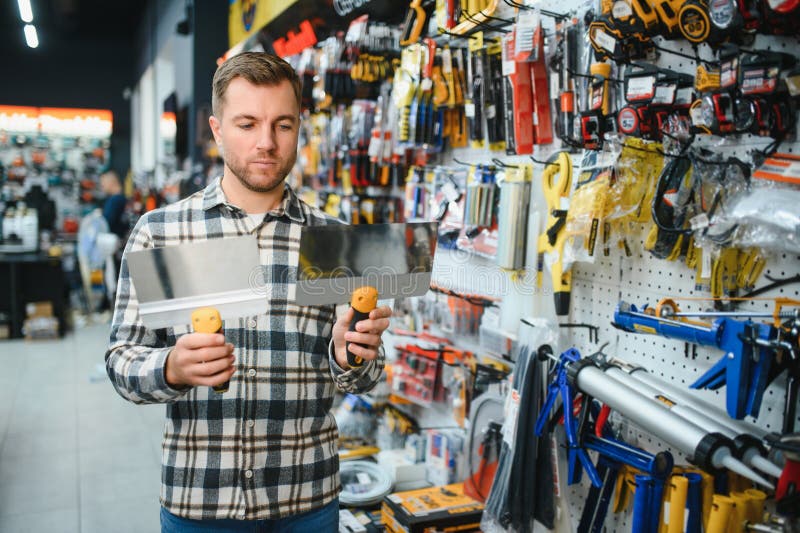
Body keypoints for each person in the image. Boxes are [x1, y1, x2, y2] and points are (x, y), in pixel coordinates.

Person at [105, 52, 392, 532]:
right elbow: (121, 361)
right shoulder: (163, 232)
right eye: (247, 123)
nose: (266, 142)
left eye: (283, 125)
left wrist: (350, 357)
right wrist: (171, 367)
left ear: (300, 128)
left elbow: (363, 379)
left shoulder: (334, 240)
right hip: (201, 500)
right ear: (217, 130)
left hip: (307, 499)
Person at [99, 170, 128, 241]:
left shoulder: (114, 200)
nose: (102, 186)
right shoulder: (123, 198)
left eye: (103, 183)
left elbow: (105, 223)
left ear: (111, 183)